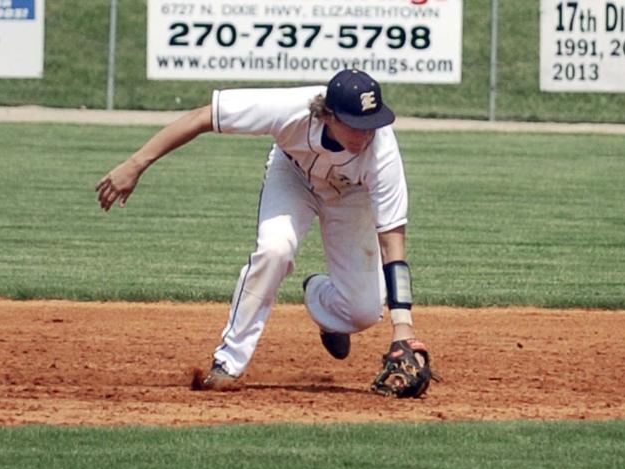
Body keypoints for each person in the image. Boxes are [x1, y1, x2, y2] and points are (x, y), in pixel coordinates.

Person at [95, 69, 434, 398]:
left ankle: (320, 298)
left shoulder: (381, 151)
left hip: (351, 196)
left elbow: (393, 241)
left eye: (370, 125)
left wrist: (403, 325)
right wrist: (136, 164)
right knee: (275, 249)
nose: (365, 135)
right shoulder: (290, 109)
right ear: (328, 115)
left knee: (362, 313)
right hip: (294, 178)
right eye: (355, 126)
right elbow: (202, 117)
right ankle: (228, 362)